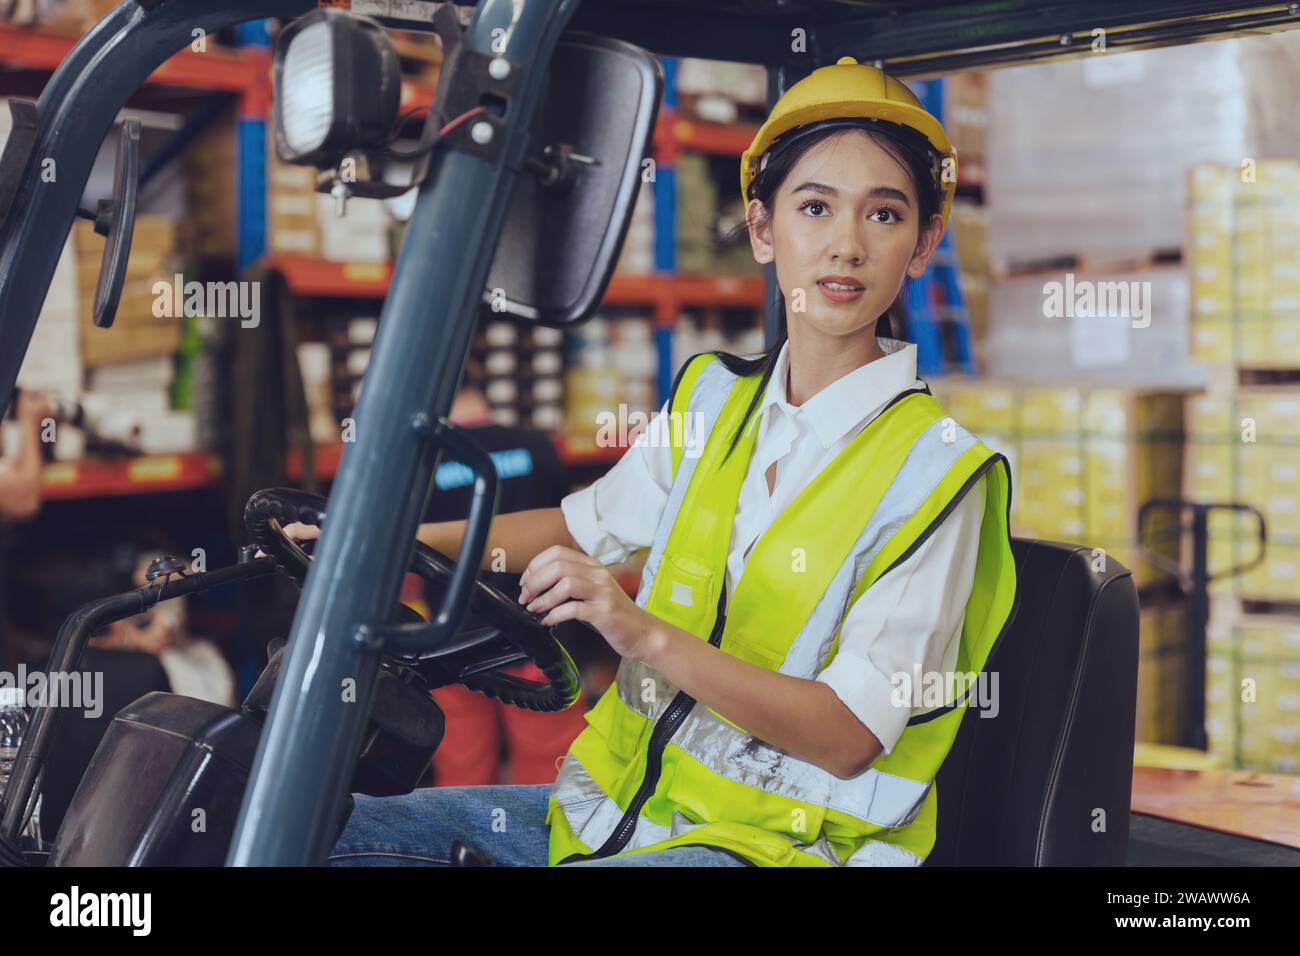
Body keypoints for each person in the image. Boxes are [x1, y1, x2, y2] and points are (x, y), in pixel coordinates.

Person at [319, 58, 1017, 867]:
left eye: (886, 215)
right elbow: (585, 529)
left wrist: (639, 633)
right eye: (815, 207)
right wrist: (370, 539)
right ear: (763, 230)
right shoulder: (712, 400)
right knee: (331, 833)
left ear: (925, 242)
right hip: (618, 819)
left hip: (781, 851)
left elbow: (852, 734)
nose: (847, 246)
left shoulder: (939, 476)